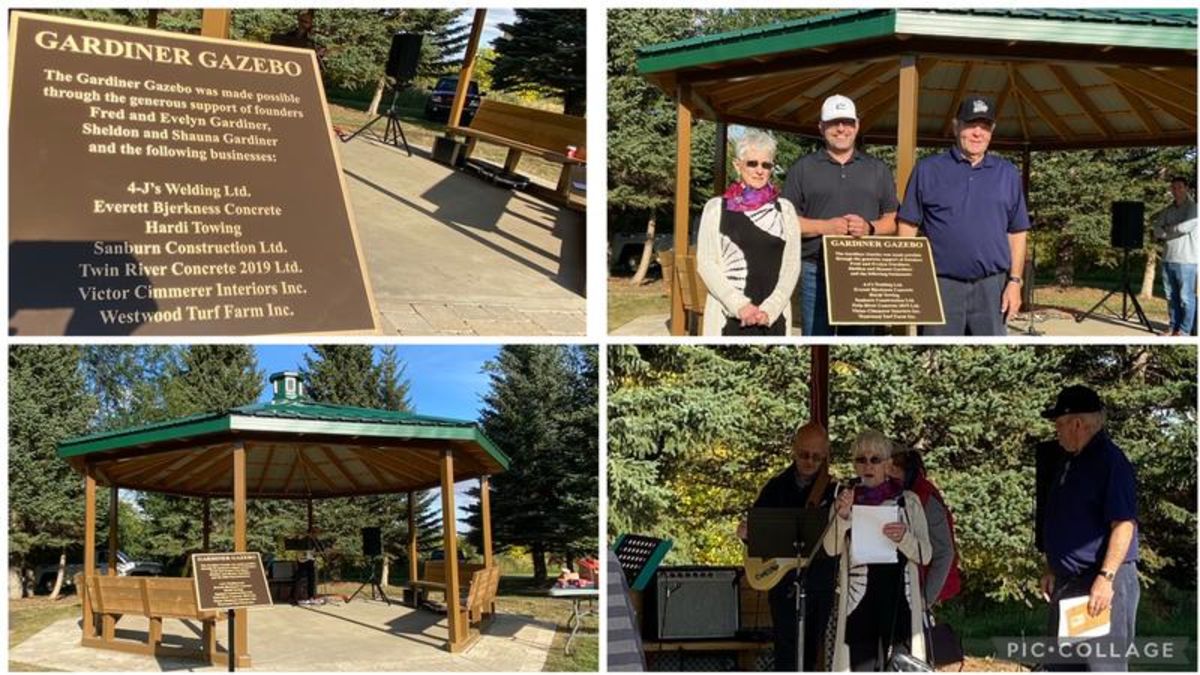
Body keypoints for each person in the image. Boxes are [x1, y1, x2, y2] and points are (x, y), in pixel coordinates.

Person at [898, 95, 1031, 336]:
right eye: (971, 125)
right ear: (956, 125)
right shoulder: (928, 170)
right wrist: (910, 280)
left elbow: (1017, 231)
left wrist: (1015, 282)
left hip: (993, 288)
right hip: (940, 285)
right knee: (936, 357)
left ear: (992, 131)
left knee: (990, 359)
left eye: (985, 126)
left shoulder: (1008, 174)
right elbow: (907, 225)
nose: (978, 133)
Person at [1038, 385, 1139, 671]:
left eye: (1059, 424)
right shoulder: (1070, 461)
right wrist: (1051, 567)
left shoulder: (1110, 462)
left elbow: (1123, 525)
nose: (1056, 431)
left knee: (1099, 667)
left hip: (1101, 582)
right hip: (1070, 582)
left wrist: (1106, 579)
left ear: (1078, 423)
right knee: (1064, 666)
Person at [783, 94, 899, 336]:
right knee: (816, 342)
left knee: (859, 346)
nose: (841, 128)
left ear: (857, 125)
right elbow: (787, 221)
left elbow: (894, 219)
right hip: (815, 270)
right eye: (833, 123)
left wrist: (870, 227)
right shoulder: (802, 169)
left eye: (847, 122)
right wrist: (826, 227)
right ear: (821, 127)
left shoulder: (878, 170)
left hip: (862, 271)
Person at [824, 430, 930, 671]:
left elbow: (926, 553)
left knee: (901, 664)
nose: (868, 466)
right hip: (859, 602)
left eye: (875, 459)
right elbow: (830, 548)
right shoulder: (845, 499)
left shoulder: (908, 501)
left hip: (899, 600)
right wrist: (842, 516)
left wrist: (904, 538)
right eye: (861, 460)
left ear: (888, 465)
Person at [737, 422, 838, 671]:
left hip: (819, 583)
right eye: (804, 454)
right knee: (785, 650)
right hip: (782, 583)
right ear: (794, 450)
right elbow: (757, 531)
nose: (810, 461)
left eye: (816, 457)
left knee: (811, 651)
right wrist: (747, 535)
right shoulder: (775, 488)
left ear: (825, 456)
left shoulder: (835, 491)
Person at [697, 128, 801, 336]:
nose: (759, 170)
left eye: (766, 164)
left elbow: (792, 264)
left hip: (773, 317)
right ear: (738, 165)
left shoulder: (785, 210)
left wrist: (770, 309)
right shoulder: (716, 208)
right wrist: (740, 306)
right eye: (752, 163)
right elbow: (706, 263)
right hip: (729, 316)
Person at [888, 447, 960, 606]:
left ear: (893, 467)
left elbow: (944, 553)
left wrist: (924, 601)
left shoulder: (925, 498)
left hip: (921, 588)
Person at [1152, 176, 1198, 336]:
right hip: (1167, 258)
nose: (1176, 191)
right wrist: (1169, 230)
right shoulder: (1168, 210)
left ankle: (1185, 331)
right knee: (1171, 297)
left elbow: (1186, 227)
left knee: (1186, 297)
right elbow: (1157, 229)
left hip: (1186, 260)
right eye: (1174, 188)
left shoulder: (1194, 208)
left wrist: (1169, 228)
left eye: (1180, 187)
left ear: (1186, 189)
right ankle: (1173, 327)